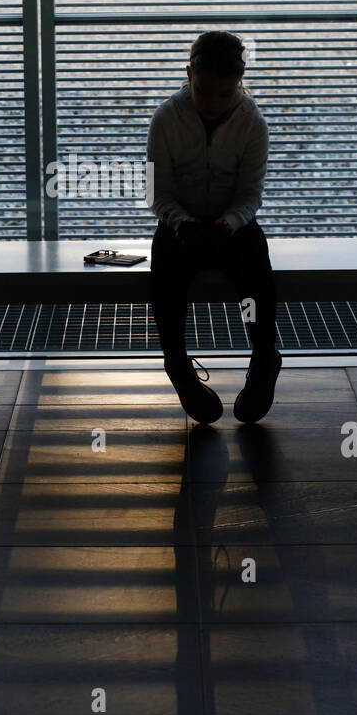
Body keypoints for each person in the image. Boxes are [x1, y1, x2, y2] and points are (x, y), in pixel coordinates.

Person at [147, 30, 281, 425]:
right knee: (166, 268)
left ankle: (263, 357)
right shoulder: (166, 118)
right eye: (204, 92)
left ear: (238, 84)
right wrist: (183, 224)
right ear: (188, 75)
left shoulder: (252, 122)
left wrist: (229, 224)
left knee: (256, 265)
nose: (213, 103)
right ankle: (177, 363)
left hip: (232, 227)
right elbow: (158, 194)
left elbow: (250, 195)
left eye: (225, 94)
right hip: (182, 226)